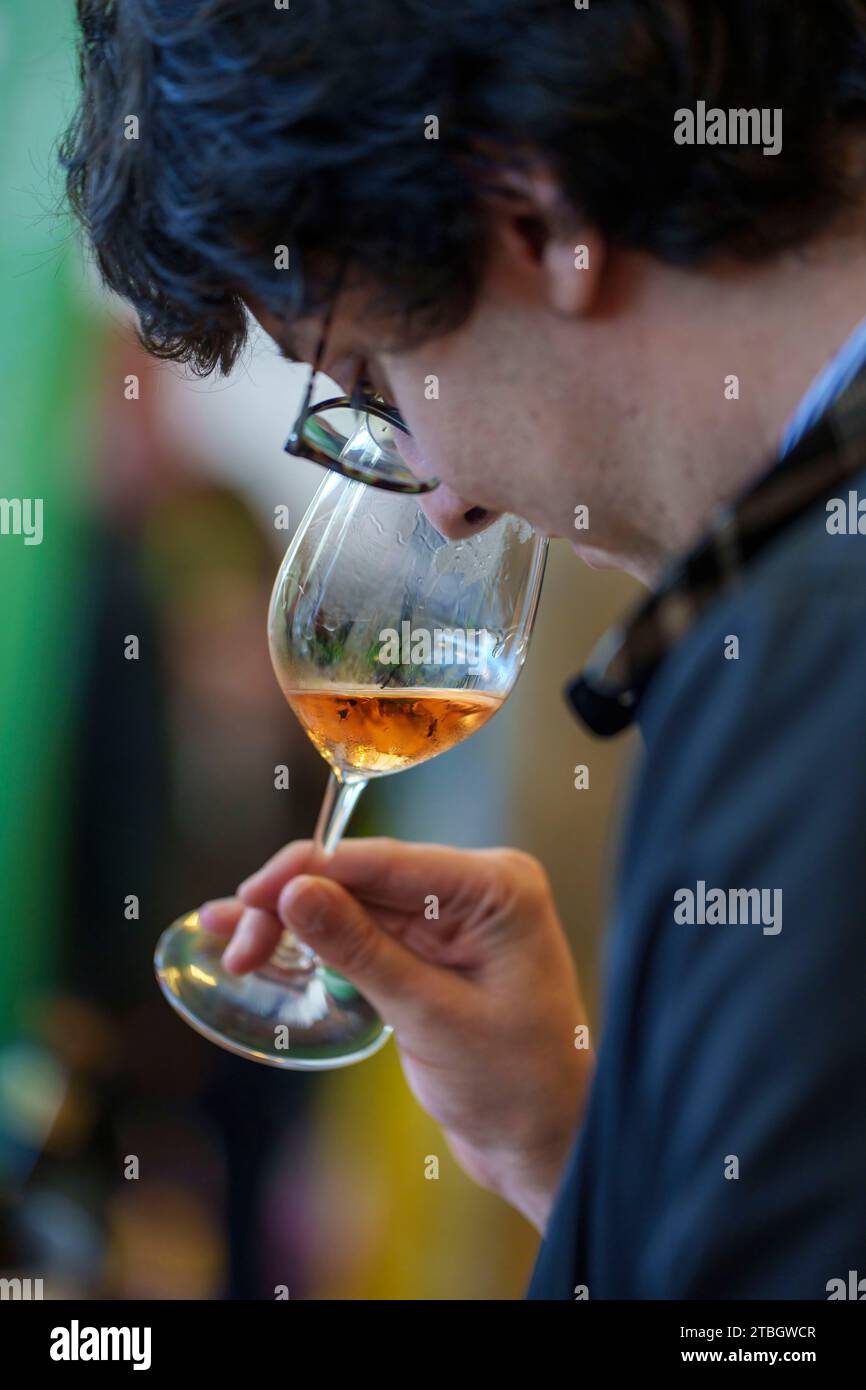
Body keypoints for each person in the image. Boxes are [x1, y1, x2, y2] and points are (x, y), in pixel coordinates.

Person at [62, 0, 866, 1298]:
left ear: (536, 219)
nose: (443, 501)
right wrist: (565, 1147)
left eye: (374, 382)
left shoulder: (802, 658)